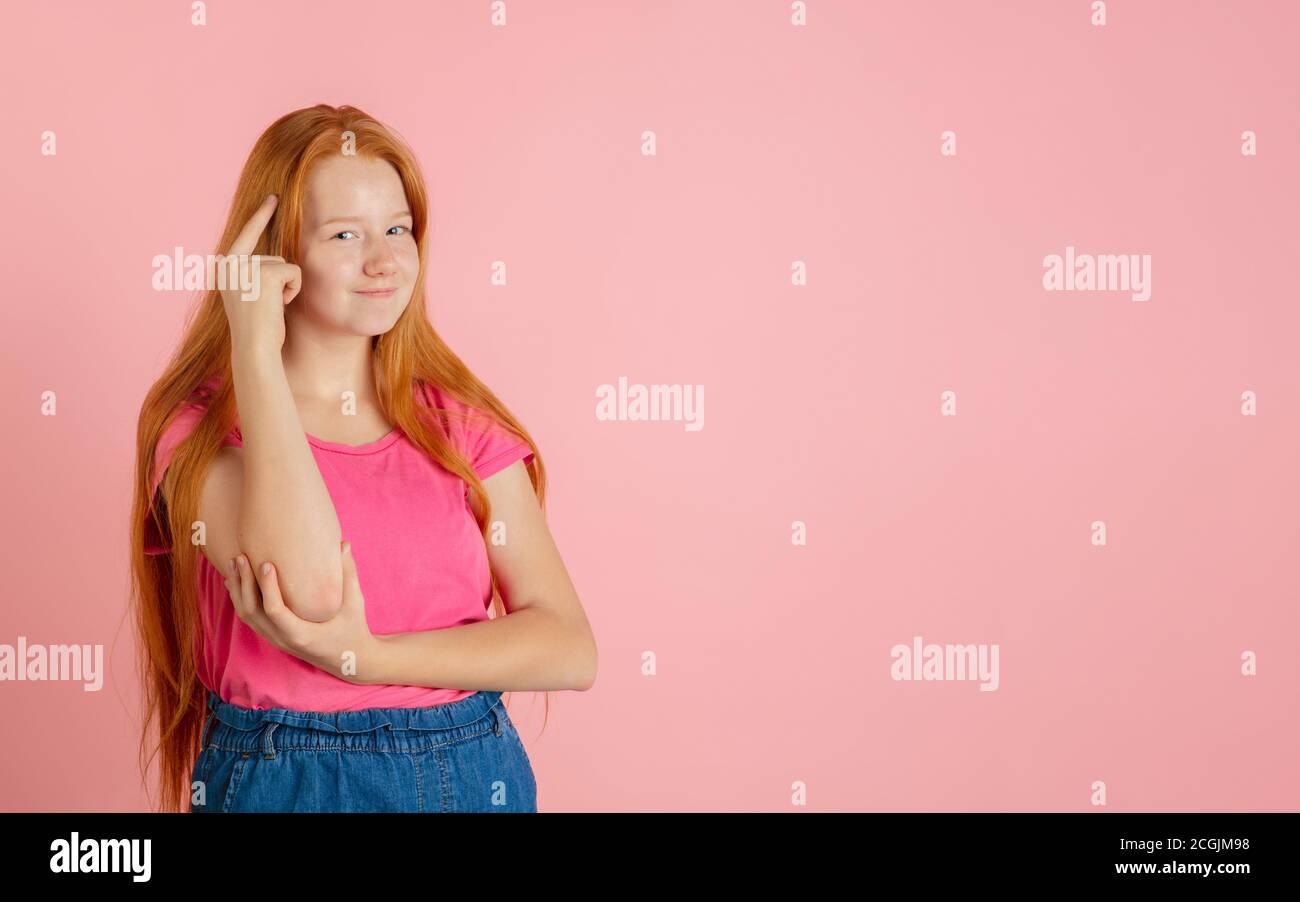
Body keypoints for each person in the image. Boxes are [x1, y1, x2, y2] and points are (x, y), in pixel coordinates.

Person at [128, 104, 597, 813]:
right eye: (346, 233)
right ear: (272, 256)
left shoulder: (460, 424)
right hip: (287, 781)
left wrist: (369, 656)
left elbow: (568, 647)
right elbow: (308, 591)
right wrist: (254, 348)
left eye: (397, 229)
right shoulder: (196, 427)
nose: (383, 260)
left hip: (467, 772)